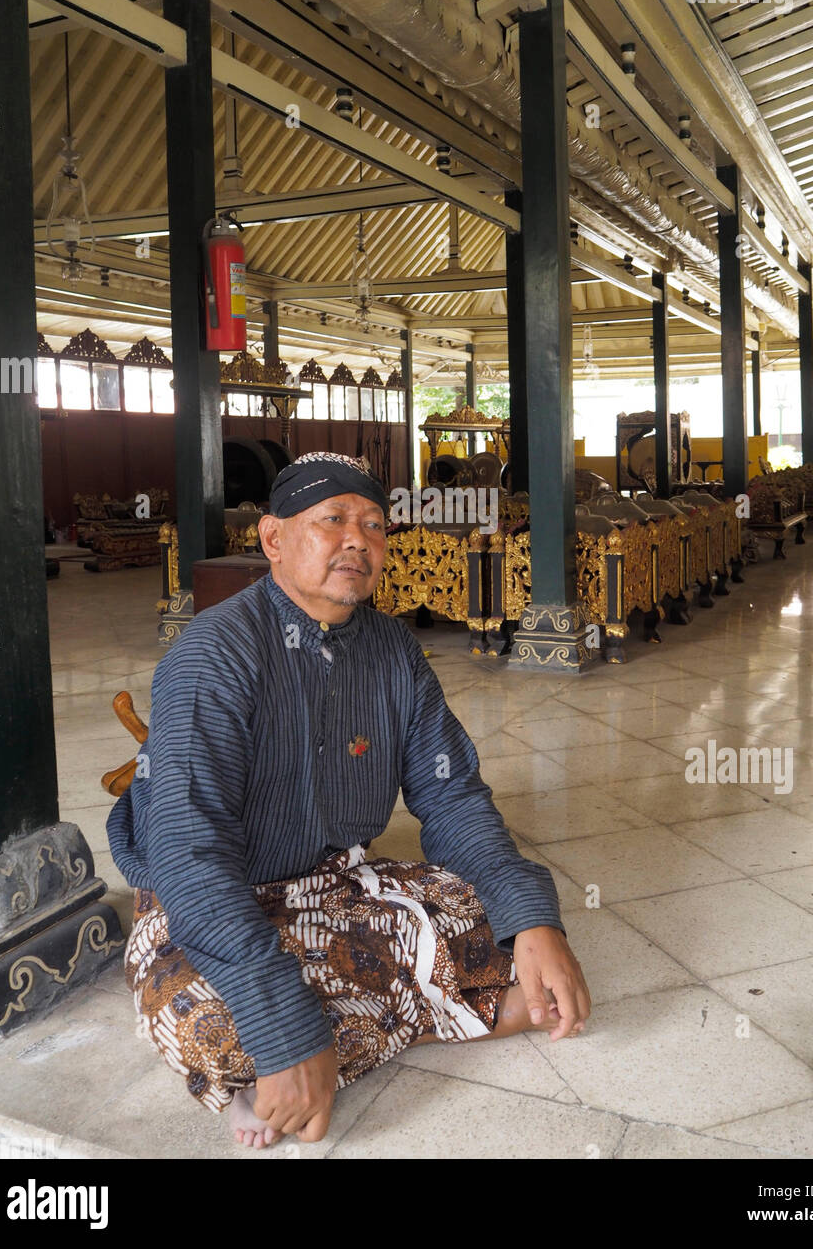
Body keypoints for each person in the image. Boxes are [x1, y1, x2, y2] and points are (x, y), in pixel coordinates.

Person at [107, 452, 590, 1149]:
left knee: (515, 924)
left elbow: (452, 797)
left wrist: (534, 922)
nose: (355, 541)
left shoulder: (394, 648)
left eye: (372, 525)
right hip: (207, 896)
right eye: (330, 520)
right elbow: (187, 854)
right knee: (209, 1023)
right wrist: (281, 1022)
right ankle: (382, 1023)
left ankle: (334, 1042)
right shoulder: (214, 653)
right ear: (274, 539)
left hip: (338, 883)